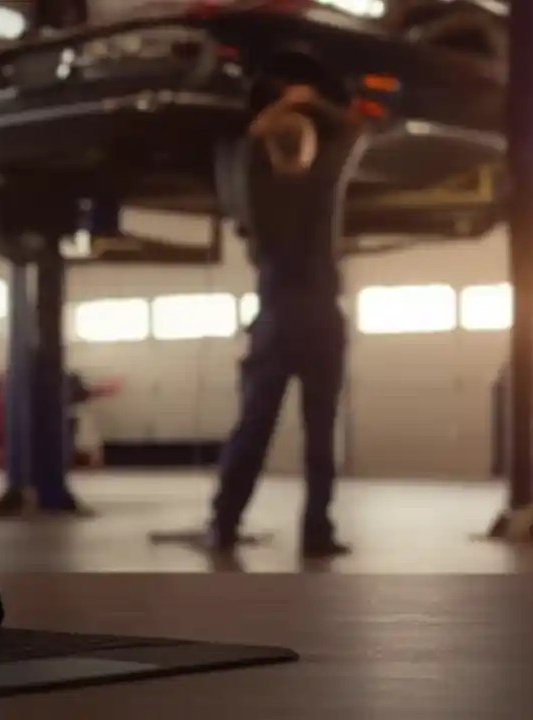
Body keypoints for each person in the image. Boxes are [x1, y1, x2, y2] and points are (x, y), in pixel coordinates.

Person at [208, 83, 368, 558]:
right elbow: (357, 128)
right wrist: (312, 98)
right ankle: (317, 532)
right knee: (321, 432)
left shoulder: (258, 195)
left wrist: (282, 104)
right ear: (311, 146)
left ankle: (224, 524)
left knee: (254, 427)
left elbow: (254, 137)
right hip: (321, 323)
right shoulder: (324, 188)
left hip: (276, 321)